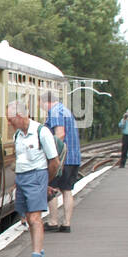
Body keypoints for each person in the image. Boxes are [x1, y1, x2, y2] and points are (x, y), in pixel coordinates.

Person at [8, 100, 58, 257]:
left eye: (10, 118)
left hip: (37, 176)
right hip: (22, 178)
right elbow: (20, 159)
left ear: (20, 116)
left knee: (36, 219)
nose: (9, 122)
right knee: (28, 219)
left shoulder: (41, 132)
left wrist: (45, 182)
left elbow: (54, 161)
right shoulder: (17, 136)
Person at [43, 92, 81, 233]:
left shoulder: (54, 112)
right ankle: (66, 223)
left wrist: (49, 151)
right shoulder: (66, 110)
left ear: (46, 102)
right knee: (67, 190)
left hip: (61, 159)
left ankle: (53, 221)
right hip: (73, 157)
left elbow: (60, 133)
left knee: (51, 188)